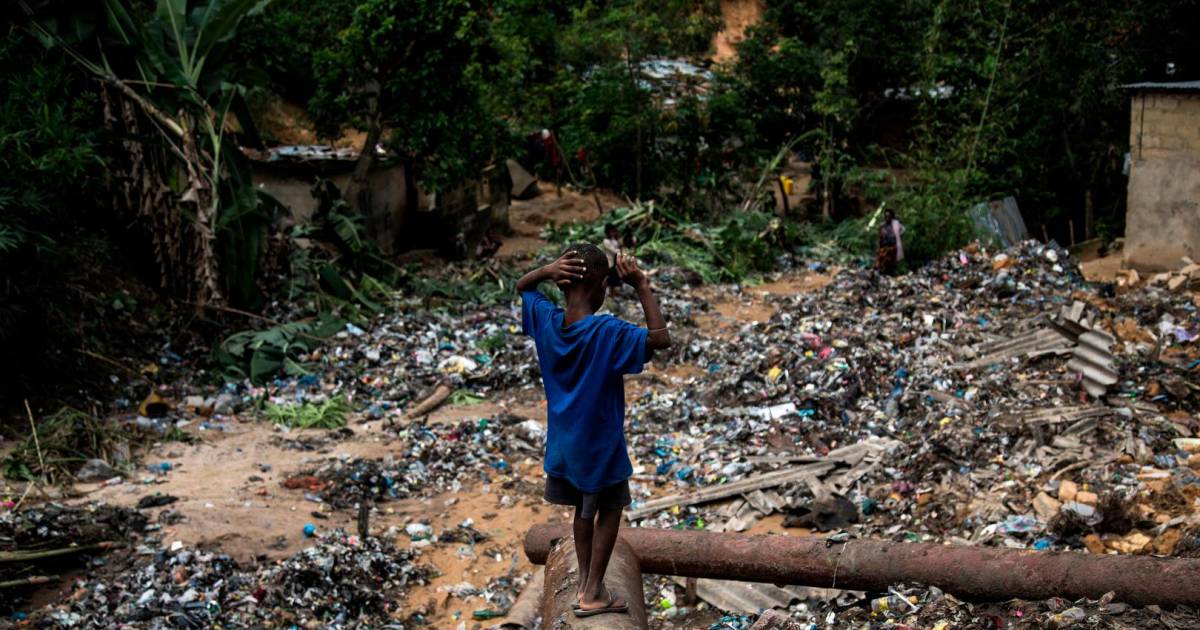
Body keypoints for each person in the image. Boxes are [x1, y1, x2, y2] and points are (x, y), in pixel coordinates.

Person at [516, 245, 671, 617]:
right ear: (602, 287)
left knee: (583, 512)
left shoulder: (548, 323)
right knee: (612, 507)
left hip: (564, 446)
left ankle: (588, 581)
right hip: (601, 446)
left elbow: (523, 287)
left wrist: (545, 270)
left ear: (562, 283)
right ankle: (591, 591)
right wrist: (642, 286)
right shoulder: (607, 331)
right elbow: (660, 339)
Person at [876, 209, 905, 275]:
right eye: (886, 216)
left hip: (892, 247)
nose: (887, 218)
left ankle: (891, 272)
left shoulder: (895, 225)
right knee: (881, 257)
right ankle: (881, 272)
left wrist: (897, 235)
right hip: (884, 246)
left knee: (889, 259)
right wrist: (878, 247)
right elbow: (880, 238)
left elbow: (903, 229)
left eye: (889, 216)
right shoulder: (882, 226)